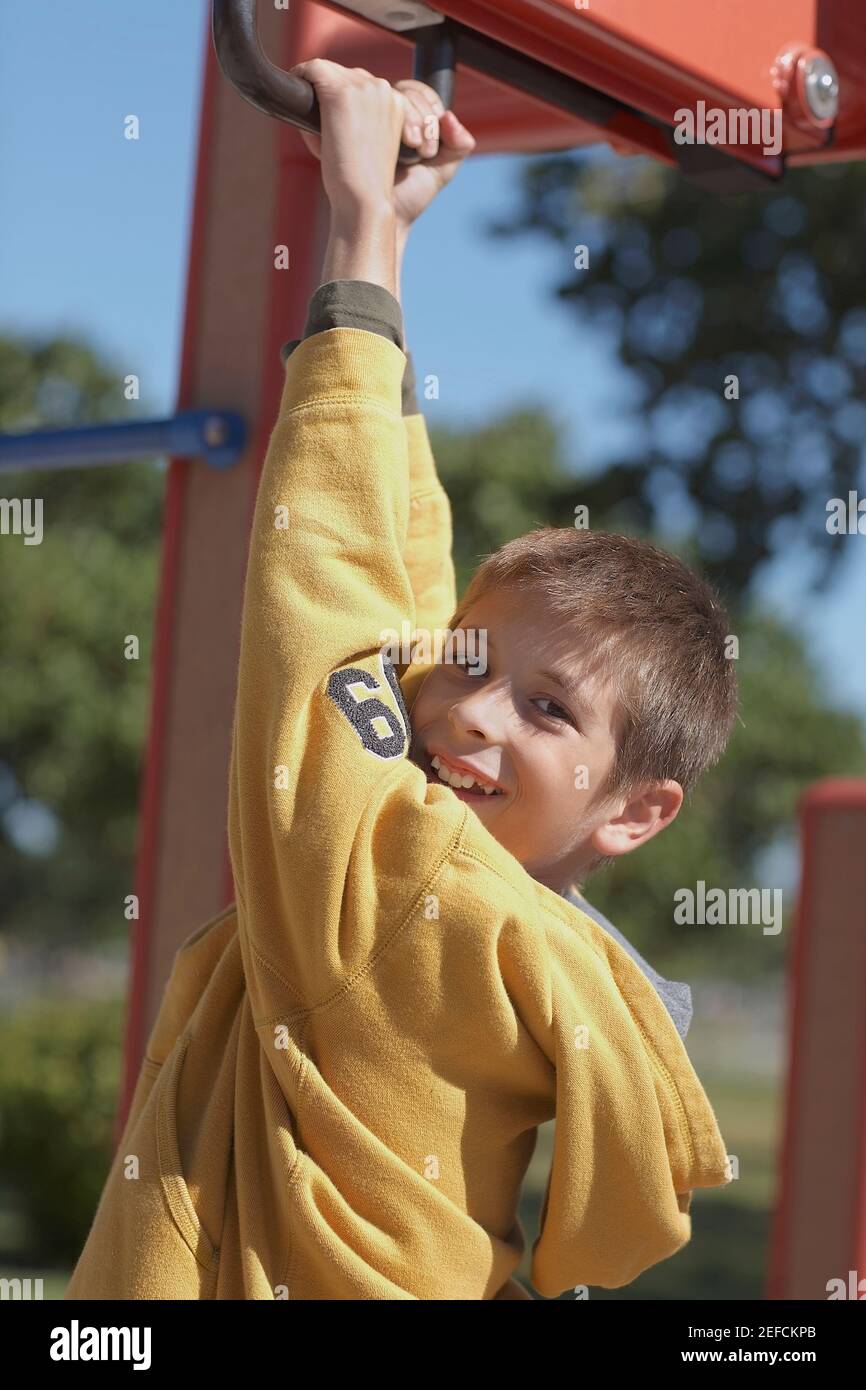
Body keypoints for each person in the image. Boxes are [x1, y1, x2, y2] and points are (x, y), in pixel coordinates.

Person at [66, 61, 735, 1302]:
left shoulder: (412, 901)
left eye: (550, 709)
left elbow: (324, 600)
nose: (472, 709)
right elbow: (399, 602)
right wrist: (391, 264)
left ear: (635, 808)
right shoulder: (548, 958)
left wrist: (360, 220)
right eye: (469, 667)